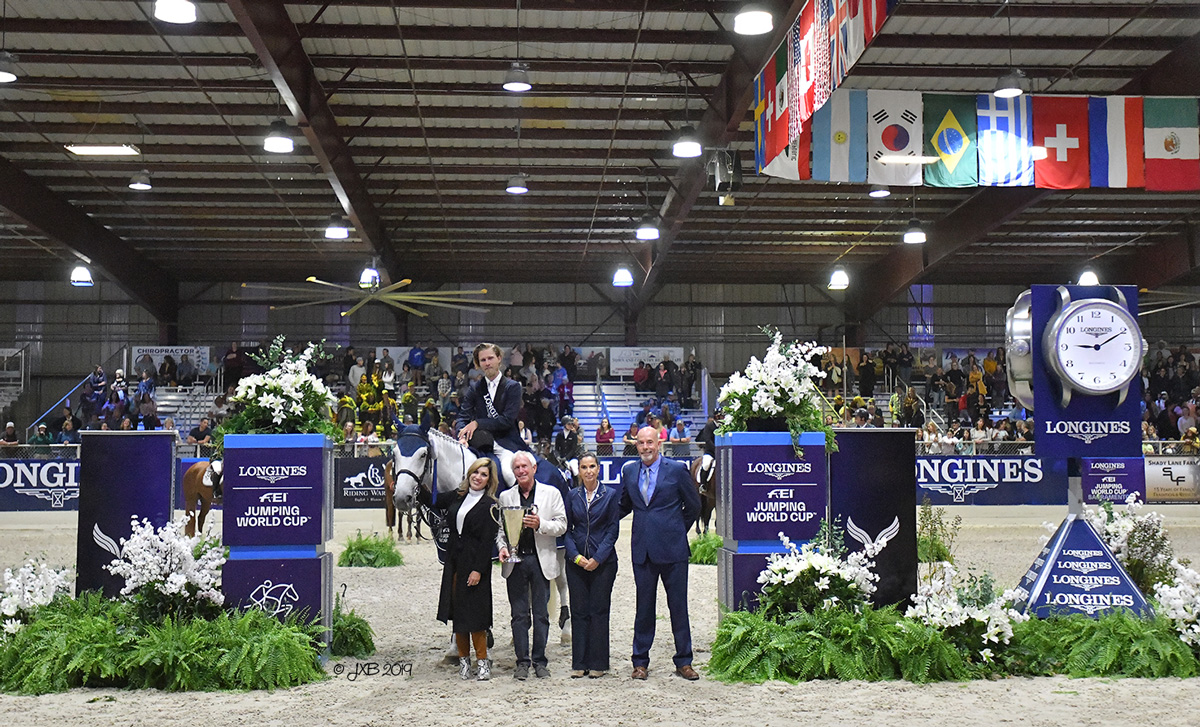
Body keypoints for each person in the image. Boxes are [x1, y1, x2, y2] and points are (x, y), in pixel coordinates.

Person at [619, 427, 701, 681]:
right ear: (637, 445)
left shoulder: (677, 471)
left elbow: (694, 506)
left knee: (678, 607)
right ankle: (640, 662)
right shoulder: (629, 471)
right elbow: (623, 505)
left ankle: (684, 661)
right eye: (641, 443)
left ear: (659, 443)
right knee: (643, 608)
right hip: (642, 552)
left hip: (673, 551)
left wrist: (676, 530)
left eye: (649, 442)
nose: (645, 447)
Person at [421, 458, 502, 681]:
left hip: (476, 566)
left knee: (476, 617)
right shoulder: (458, 496)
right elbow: (433, 502)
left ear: (489, 480)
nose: (478, 477)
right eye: (475, 473)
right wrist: (414, 485)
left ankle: (483, 663)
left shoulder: (490, 506)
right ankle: (464, 663)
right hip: (455, 563)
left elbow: (487, 542)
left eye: (483, 475)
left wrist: (478, 570)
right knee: (459, 615)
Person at [498, 451, 567, 680]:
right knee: (518, 615)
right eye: (516, 467)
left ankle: (540, 661)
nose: (521, 471)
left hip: (541, 560)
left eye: (524, 466)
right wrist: (503, 547)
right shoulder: (506, 497)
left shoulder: (552, 493)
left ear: (534, 468)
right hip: (515, 562)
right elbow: (500, 530)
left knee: (541, 614)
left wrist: (541, 524)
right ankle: (521, 661)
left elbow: (562, 525)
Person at [564, 452, 620, 679]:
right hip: (577, 562)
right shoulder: (571, 495)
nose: (588, 471)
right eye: (584, 467)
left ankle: (598, 662)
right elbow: (566, 529)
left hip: (603, 563)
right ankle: (579, 662)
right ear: (579, 470)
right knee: (578, 612)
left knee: (598, 611)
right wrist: (576, 557)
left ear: (598, 469)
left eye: (592, 466)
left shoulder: (611, 495)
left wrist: (598, 558)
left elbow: (612, 529)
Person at [457, 342, 527, 452]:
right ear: (478, 364)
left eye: (490, 358)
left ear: (499, 358)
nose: (487, 363)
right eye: (483, 360)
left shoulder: (513, 387)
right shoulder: (475, 388)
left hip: (507, 443)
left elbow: (507, 420)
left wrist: (478, 423)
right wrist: (462, 437)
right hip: (481, 442)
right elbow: (463, 417)